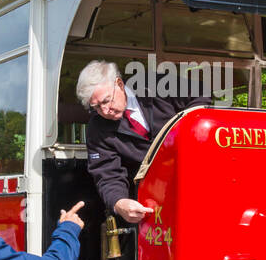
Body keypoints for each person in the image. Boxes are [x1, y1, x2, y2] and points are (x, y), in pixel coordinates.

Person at [77, 59, 208, 223]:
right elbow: (107, 174)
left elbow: (201, 94)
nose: (104, 110)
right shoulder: (97, 128)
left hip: (198, 182)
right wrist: (119, 202)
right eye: (95, 107)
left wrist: (182, 138)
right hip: (153, 201)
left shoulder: (157, 84)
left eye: (105, 101)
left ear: (119, 83)